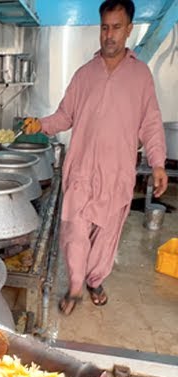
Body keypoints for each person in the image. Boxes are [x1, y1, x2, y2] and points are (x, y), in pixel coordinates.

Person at [22, 0, 167, 315]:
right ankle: (75, 285)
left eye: (116, 27)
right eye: (105, 27)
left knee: (107, 235)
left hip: (117, 173)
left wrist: (157, 163)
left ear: (129, 29)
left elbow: (152, 123)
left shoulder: (141, 76)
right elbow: (65, 116)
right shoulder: (84, 74)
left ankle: (95, 279)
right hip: (82, 170)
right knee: (75, 229)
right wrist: (41, 124)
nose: (109, 35)